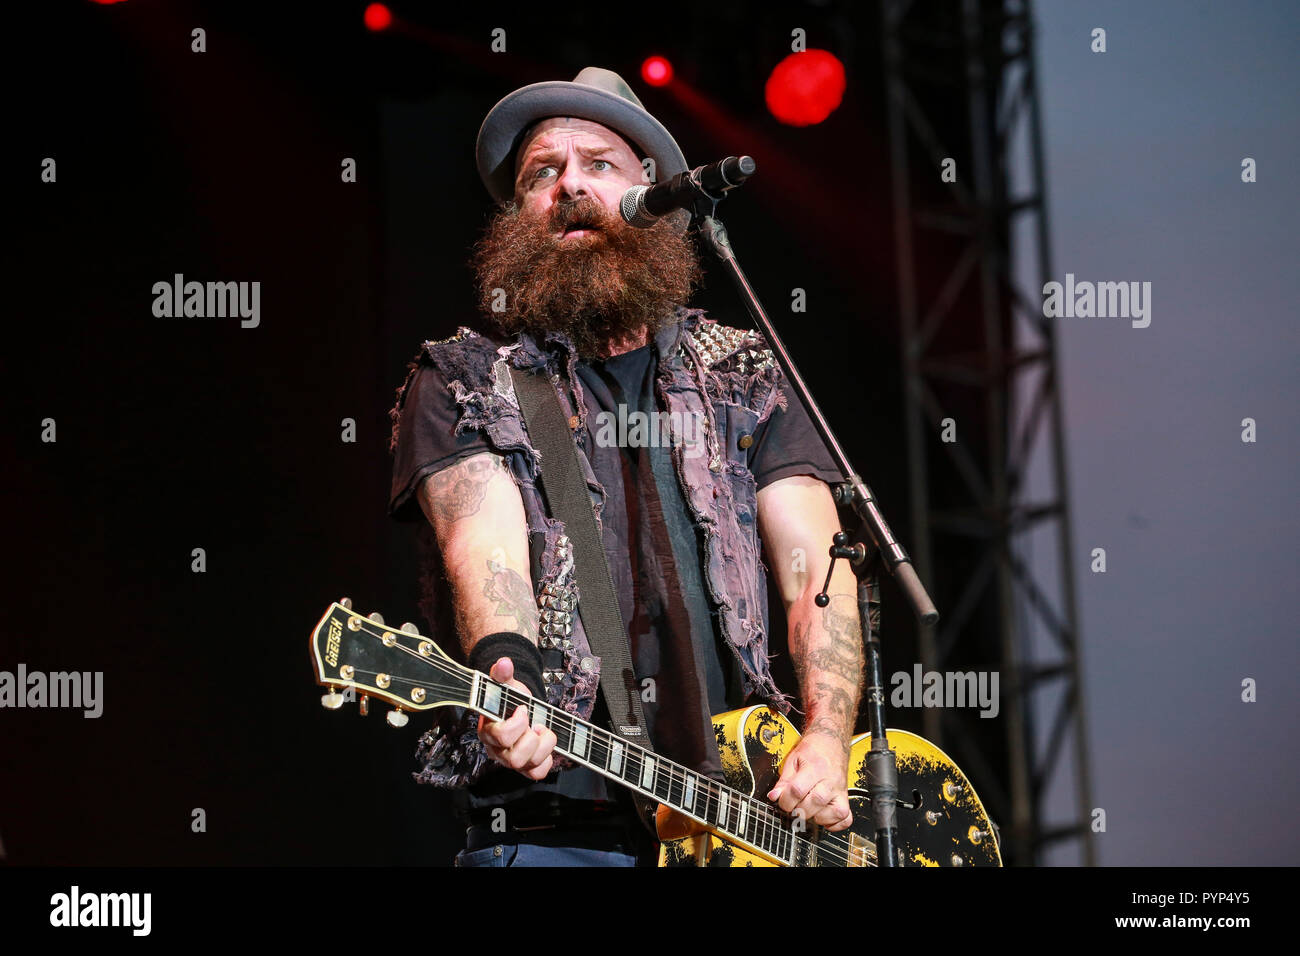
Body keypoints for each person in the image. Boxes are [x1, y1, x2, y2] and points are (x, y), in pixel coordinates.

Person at [387, 67, 865, 866]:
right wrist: (508, 676)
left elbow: (818, 565)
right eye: (542, 173)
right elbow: (486, 556)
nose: (569, 185)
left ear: (657, 198)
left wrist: (826, 738)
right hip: (557, 835)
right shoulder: (468, 382)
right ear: (516, 216)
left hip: (742, 825)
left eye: (599, 164)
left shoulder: (743, 376)